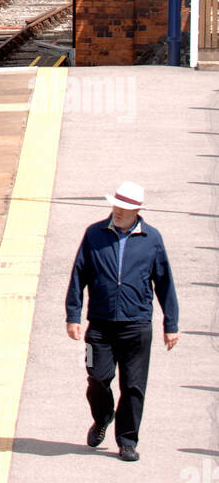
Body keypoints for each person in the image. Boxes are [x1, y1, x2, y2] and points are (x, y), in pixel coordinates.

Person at [65, 181, 179, 462]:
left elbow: (164, 283)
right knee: (97, 377)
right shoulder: (94, 234)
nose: (118, 211)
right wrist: (73, 315)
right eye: (116, 206)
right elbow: (79, 275)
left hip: (136, 325)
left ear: (137, 211)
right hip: (99, 327)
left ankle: (127, 440)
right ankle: (103, 417)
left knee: (134, 386)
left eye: (125, 208)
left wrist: (171, 324)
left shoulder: (152, 239)